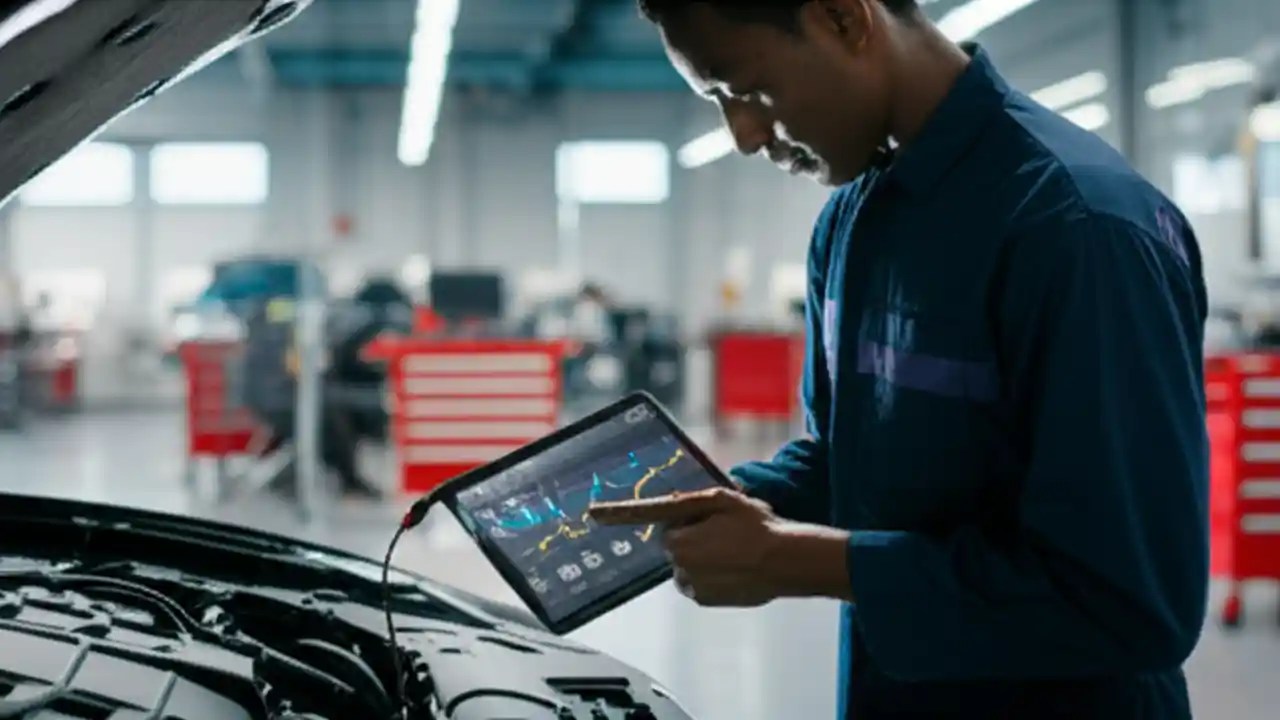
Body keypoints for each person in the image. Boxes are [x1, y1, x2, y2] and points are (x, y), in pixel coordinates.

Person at [590, 1, 1209, 718]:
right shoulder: (854, 218)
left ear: (844, 20)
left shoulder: (1081, 230)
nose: (745, 135)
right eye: (719, 103)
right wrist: (731, 500)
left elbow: (1131, 602)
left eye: (749, 91)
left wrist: (798, 561)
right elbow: (850, 459)